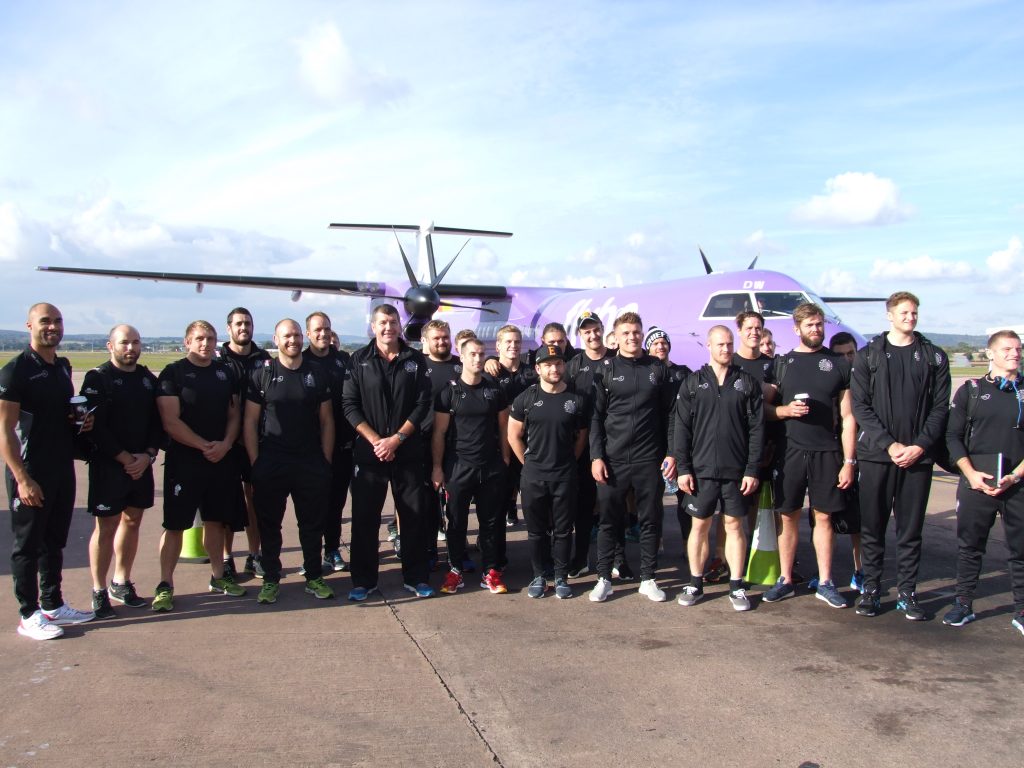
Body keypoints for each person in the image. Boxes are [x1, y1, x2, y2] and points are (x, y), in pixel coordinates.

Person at [851, 291, 950, 620]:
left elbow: (939, 408)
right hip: (878, 456)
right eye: (904, 312)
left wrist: (920, 445)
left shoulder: (934, 357)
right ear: (890, 316)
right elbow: (860, 407)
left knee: (910, 530)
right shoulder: (869, 355)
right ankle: (872, 590)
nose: (910, 317)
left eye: (914, 313)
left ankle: (908, 592)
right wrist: (889, 444)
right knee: (873, 527)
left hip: (918, 459)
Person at [0, 303, 95, 640]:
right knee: (27, 544)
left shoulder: (61, 368)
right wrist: (22, 479)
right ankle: (28, 613)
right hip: (31, 469)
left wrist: (82, 422)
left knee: (54, 540)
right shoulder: (15, 372)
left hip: (61, 466)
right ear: (29, 326)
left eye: (57, 321)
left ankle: (53, 603)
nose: (52, 327)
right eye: (45, 321)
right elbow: (5, 430)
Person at [763, 303, 856, 609]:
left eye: (819, 325)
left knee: (824, 517)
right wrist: (785, 411)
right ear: (797, 329)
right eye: (810, 325)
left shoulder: (838, 365)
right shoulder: (783, 363)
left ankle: (826, 582)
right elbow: (762, 408)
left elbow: (848, 417)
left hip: (826, 452)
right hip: (790, 451)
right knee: (787, 516)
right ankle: (786, 579)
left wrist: (848, 461)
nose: (816, 330)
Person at [343, 304, 434, 600]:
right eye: (382, 322)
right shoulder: (358, 360)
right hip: (370, 455)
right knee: (365, 518)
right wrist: (376, 441)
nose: (388, 328)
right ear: (373, 326)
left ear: (399, 325)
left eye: (393, 322)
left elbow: (422, 404)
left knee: (413, 516)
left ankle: (416, 576)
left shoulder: (415, 360)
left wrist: (396, 439)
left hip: (406, 452)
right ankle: (364, 580)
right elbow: (349, 405)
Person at [154, 320, 245, 612]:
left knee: (215, 521)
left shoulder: (224, 372)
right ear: (187, 342)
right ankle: (165, 584)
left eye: (210, 338)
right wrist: (203, 445)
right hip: (186, 461)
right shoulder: (173, 373)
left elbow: (235, 414)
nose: (205, 344)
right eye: (199, 339)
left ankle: (218, 576)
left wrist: (227, 443)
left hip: (220, 458)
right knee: (175, 525)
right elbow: (170, 420)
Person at [245, 319, 335, 604]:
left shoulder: (316, 373)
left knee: (311, 524)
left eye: (296, 335)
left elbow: (327, 420)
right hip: (272, 460)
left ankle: (313, 576)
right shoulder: (263, 373)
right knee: (270, 524)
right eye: (287, 336)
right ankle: (271, 578)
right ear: (276, 339)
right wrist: (256, 462)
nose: (293, 340)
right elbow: (250, 421)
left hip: (309, 460)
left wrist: (325, 460)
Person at [589, 312, 677, 603]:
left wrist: (671, 452)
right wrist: (596, 456)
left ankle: (648, 578)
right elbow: (596, 418)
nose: (632, 337)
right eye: (626, 333)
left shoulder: (657, 369)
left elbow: (670, 415)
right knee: (608, 521)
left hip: (648, 459)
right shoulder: (606, 370)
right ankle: (604, 578)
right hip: (613, 460)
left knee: (651, 519)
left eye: (636, 332)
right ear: (616, 337)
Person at [674, 326, 763, 611]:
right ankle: (695, 582)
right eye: (720, 344)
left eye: (729, 344)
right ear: (709, 346)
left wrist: (752, 469)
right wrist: (684, 468)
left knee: (734, 525)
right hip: (700, 471)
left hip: (736, 471)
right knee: (699, 526)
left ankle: (736, 586)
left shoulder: (747, 383)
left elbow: (757, 430)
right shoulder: (692, 383)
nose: (725, 349)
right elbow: (681, 428)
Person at [943, 330, 1024, 636]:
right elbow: (952, 436)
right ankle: (963, 603)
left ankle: (1021, 609)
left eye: (1017, 348)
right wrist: (970, 473)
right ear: (991, 354)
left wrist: (1016, 474)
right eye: (1007, 349)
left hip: (1017, 483)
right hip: (977, 483)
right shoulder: (971, 390)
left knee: (1021, 549)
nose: (1014, 353)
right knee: (970, 547)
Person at [81, 324, 163, 618]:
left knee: (133, 520)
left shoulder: (145, 378)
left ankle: (121, 580)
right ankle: (98, 590)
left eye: (136, 343)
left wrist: (148, 455)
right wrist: (124, 457)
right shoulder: (98, 378)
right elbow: (93, 427)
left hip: (141, 464)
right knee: (106, 526)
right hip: (109, 465)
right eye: (125, 343)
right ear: (110, 346)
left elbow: (158, 421)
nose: (131, 348)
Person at [509, 343, 590, 599]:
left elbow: (581, 438)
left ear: (564, 366)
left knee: (564, 530)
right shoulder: (527, 398)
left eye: (558, 364)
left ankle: (561, 577)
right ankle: (538, 576)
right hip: (534, 476)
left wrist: (567, 462)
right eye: (548, 365)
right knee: (536, 530)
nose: (554, 368)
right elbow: (514, 436)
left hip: (565, 475)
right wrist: (529, 464)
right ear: (538, 368)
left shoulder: (576, 400)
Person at [432, 338, 510, 595]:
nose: (478, 359)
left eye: (481, 354)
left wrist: (506, 459)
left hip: (490, 466)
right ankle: (455, 570)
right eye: (472, 355)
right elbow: (439, 433)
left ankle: (491, 572)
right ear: (462, 358)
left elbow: (503, 427)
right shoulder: (449, 392)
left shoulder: (494, 390)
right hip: (458, 467)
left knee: (491, 523)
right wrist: (437, 467)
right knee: (456, 523)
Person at [217, 307, 271, 579]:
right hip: (224, 440)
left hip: (253, 439)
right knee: (226, 500)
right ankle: (227, 557)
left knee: (255, 499)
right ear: (229, 328)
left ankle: (254, 554)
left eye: (248, 323)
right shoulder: (217, 358)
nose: (243, 328)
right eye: (238, 324)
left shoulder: (263, 359)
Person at [302, 311, 354, 574]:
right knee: (311, 503)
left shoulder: (344, 360)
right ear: (308, 333)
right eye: (317, 330)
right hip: (309, 444)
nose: (323, 334)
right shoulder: (299, 361)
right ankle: (309, 553)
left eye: (327, 329)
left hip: (343, 444)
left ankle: (332, 549)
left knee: (336, 501)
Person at [564, 311, 615, 577]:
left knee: (612, 505)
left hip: (614, 443)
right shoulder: (573, 365)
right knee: (583, 506)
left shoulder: (617, 359)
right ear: (580, 335)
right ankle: (581, 558)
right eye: (587, 331)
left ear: (602, 330)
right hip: (584, 444)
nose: (592, 335)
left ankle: (618, 560)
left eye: (596, 330)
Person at [484, 324, 537, 529]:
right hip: (498, 445)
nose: (513, 346)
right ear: (497, 346)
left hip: (527, 443)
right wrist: (488, 361)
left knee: (533, 497)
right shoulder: (489, 374)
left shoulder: (533, 374)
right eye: (508, 342)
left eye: (517, 342)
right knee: (495, 500)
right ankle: (490, 543)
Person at [421, 320, 463, 563]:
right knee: (426, 503)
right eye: (436, 338)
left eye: (445, 337)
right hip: (424, 442)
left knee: (456, 503)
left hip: (456, 444)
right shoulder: (417, 367)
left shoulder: (461, 366)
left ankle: (458, 552)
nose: (442, 342)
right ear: (426, 340)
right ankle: (428, 551)